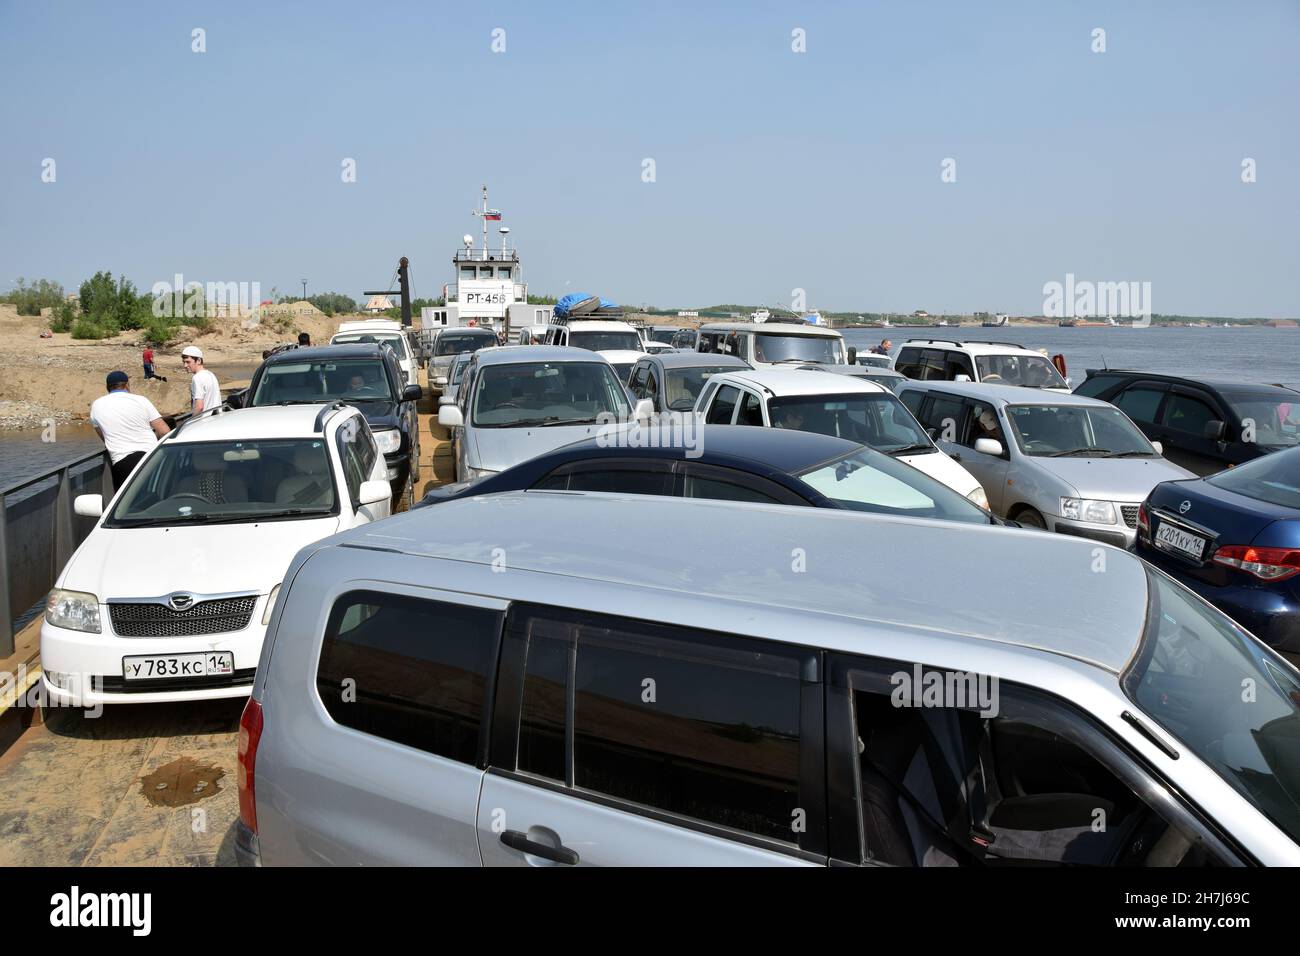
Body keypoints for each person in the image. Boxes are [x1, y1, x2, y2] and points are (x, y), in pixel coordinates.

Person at [90, 371, 171, 489]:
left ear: (108, 387)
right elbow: (164, 431)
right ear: (127, 385)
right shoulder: (141, 400)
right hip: (150, 458)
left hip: (122, 463)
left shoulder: (97, 405)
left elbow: (104, 437)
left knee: (127, 505)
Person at [181, 345, 222, 414]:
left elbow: (199, 407)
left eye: (188, 362)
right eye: (183, 362)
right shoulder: (211, 374)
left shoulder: (197, 378)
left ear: (199, 361)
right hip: (216, 418)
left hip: (204, 421)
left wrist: (192, 420)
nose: (185, 365)